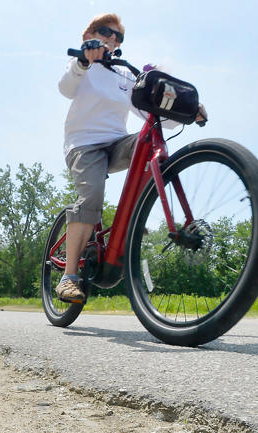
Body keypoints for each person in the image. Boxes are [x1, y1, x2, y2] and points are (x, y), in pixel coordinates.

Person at [56, 13, 205, 303]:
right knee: (92, 198)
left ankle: (133, 218)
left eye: (118, 37)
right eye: (105, 32)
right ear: (89, 34)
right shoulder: (81, 66)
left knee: (149, 140)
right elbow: (65, 88)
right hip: (83, 145)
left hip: (115, 143)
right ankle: (69, 277)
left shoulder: (124, 75)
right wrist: (84, 61)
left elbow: (149, 111)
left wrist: (189, 110)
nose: (112, 39)